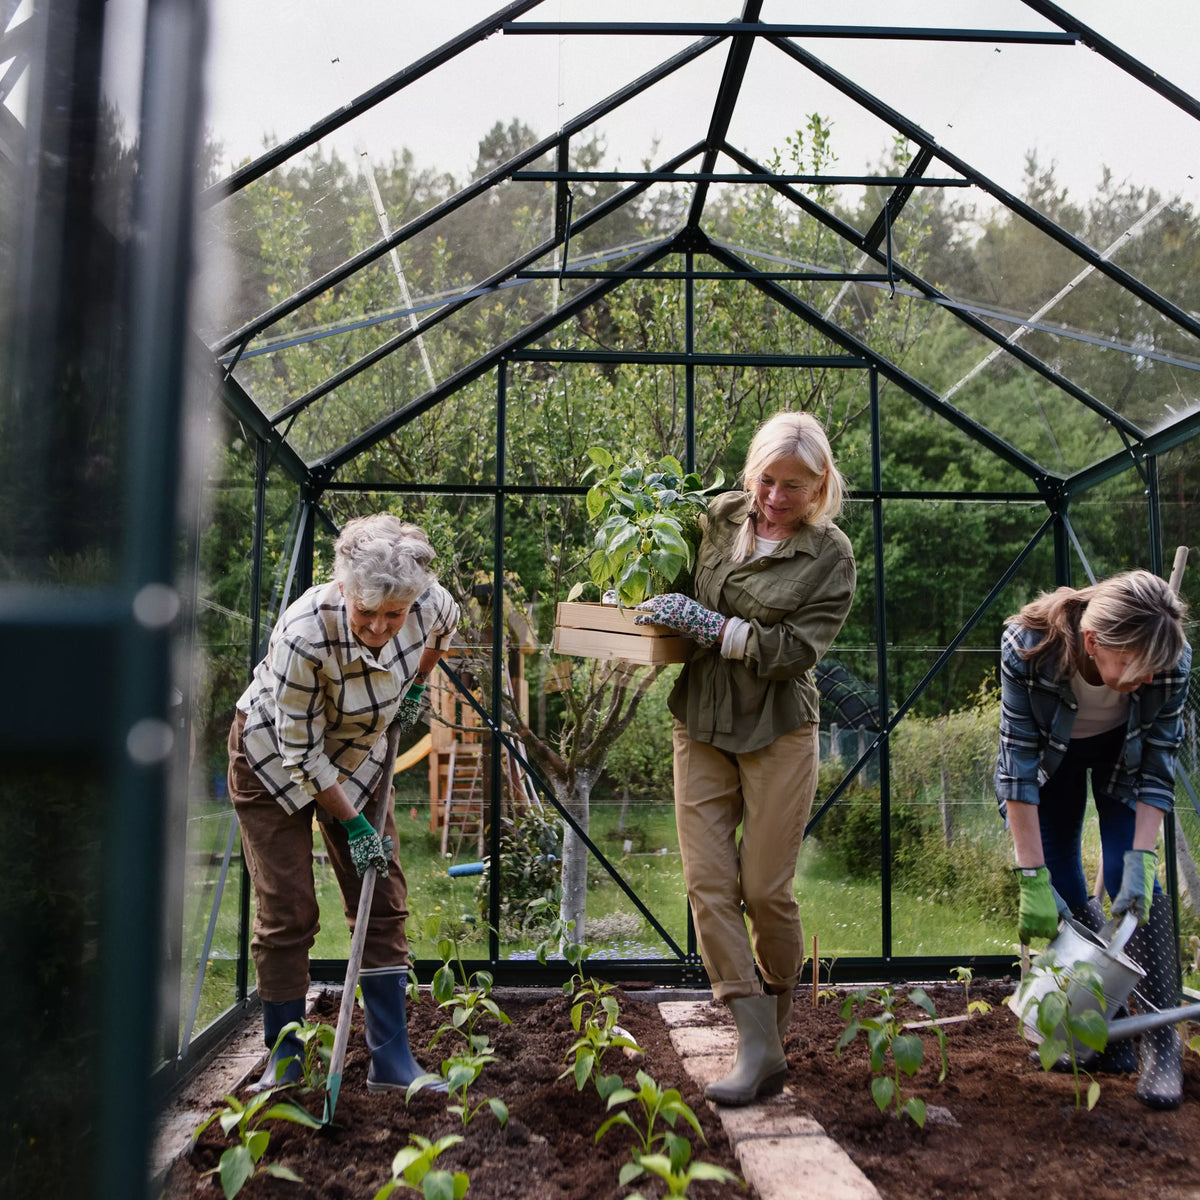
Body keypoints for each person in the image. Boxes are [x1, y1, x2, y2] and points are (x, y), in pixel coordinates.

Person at [635, 411, 856, 1106]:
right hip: (700, 719)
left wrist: (715, 626)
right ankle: (754, 1039)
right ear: (750, 472)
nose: (775, 497)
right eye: (766, 480)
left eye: (794, 486)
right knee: (707, 883)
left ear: (820, 485)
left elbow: (796, 652)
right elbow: (666, 580)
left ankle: (775, 1018)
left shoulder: (830, 556)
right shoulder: (715, 518)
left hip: (776, 727)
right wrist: (637, 598)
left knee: (764, 890)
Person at [227, 513, 459, 1091]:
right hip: (274, 760)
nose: (380, 626)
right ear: (344, 589)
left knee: (381, 899)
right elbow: (302, 755)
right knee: (289, 909)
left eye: (394, 614)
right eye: (366, 612)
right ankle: (285, 1060)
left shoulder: (428, 604)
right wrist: (356, 827)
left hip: (360, 757)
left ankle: (392, 1060)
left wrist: (415, 686)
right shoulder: (304, 634)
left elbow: (442, 629)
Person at [995, 569, 1191, 1109]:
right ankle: (1098, 1034)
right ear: (1092, 641)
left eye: (1155, 670)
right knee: (1057, 880)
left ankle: (1161, 1047)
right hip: (1047, 765)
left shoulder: (1169, 659)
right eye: (1135, 667)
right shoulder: (1027, 647)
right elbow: (1018, 765)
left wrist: (1142, 858)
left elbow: (1158, 767)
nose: (1147, 679)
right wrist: (1031, 877)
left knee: (1133, 884)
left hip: (1125, 760)